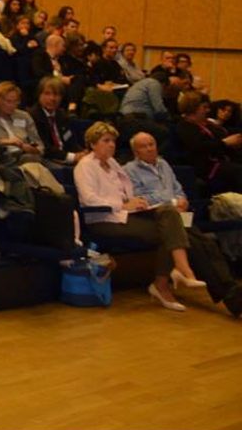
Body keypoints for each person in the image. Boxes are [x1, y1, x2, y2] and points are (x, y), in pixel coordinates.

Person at [75, 122, 204, 312]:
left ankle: (180, 271)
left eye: (113, 141)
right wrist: (123, 204)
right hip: (102, 219)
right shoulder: (85, 166)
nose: (111, 145)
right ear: (93, 144)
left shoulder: (112, 163)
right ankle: (168, 280)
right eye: (106, 141)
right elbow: (89, 199)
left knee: (168, 213)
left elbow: (125, 193)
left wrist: (136, 200)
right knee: (166, 232)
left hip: (125, 214)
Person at [124, 132, 242, 317]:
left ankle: (233, 293)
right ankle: (234, 299)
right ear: (135, 151)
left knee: (207, 243)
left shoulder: (164, 165)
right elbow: (140, 199)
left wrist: (181, 200)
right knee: (195, 243)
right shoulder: (129, 170)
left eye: (152, 144)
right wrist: (172, 202)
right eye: (143, 146)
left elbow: (178, 189)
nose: (149, 148)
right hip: (153, 216)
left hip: (176, 215)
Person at [174, 91, 242, 196]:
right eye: (204, 107)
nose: (208, 110)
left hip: (221, 161)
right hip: (205, 167)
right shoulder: (184, 126)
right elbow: (199, 147)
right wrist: (225, 143)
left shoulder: (209, 125)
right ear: (193, 108)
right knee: (237, 171)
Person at [0, 82, 45, 164]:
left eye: (16, 101)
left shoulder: (24, 116)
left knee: (33, 160)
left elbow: (40, 146)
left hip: (26, 155)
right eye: (8, 101)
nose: (12, 105)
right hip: (2, 157)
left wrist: (33, 149)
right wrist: (4, 141)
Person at [28, 77, 86, 167]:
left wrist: (81, 153)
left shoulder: (61, 115)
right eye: (47, 94)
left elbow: (70, 141)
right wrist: (72, 157)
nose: (52, 98)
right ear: (39, 95)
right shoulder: (32, 116)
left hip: (66, 158)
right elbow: (45, 148)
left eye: (56, 95)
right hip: (46, 159)